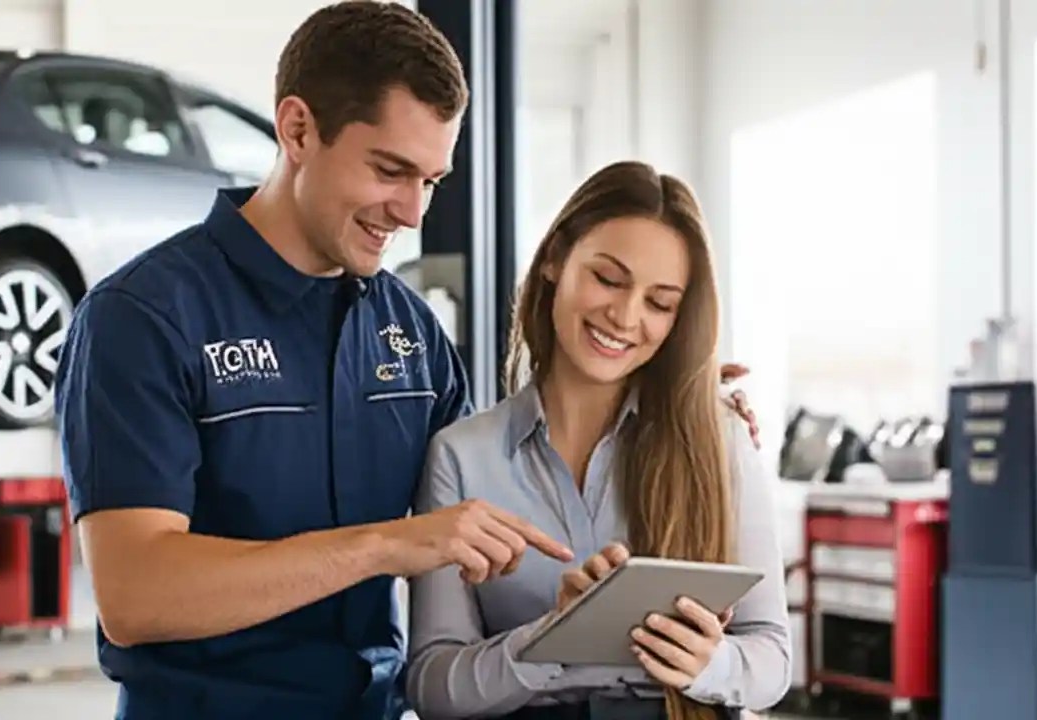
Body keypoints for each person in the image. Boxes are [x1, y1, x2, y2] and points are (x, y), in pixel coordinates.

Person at [55, 3, 759, 718]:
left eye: (431, 180)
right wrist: (385, 546)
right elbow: (136, 596)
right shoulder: (142, 318)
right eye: (391, 170)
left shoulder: (411, 333)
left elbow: (491, 478)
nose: (413, 212)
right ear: (297, 128)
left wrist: (677, 390)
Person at [405, 161, 791, 720]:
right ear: (556, 259)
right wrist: (552, 640)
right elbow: (433, 686)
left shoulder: (721, 441)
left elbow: (772, 657)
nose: (625, 316)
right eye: (608, 279)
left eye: (659, 303)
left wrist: (711, 664)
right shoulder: (461, 457)